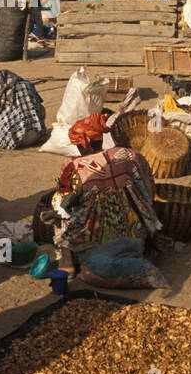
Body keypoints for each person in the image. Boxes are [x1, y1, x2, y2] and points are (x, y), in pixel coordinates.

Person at [43, 112, 163, 277]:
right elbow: (148, 188)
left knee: (58, 204)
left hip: (96, 239)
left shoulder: (74, 166)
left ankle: (66, 263)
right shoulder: (128, 154)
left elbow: (65, 205)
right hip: (136, 235)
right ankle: (148, 244)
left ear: (81, 144)